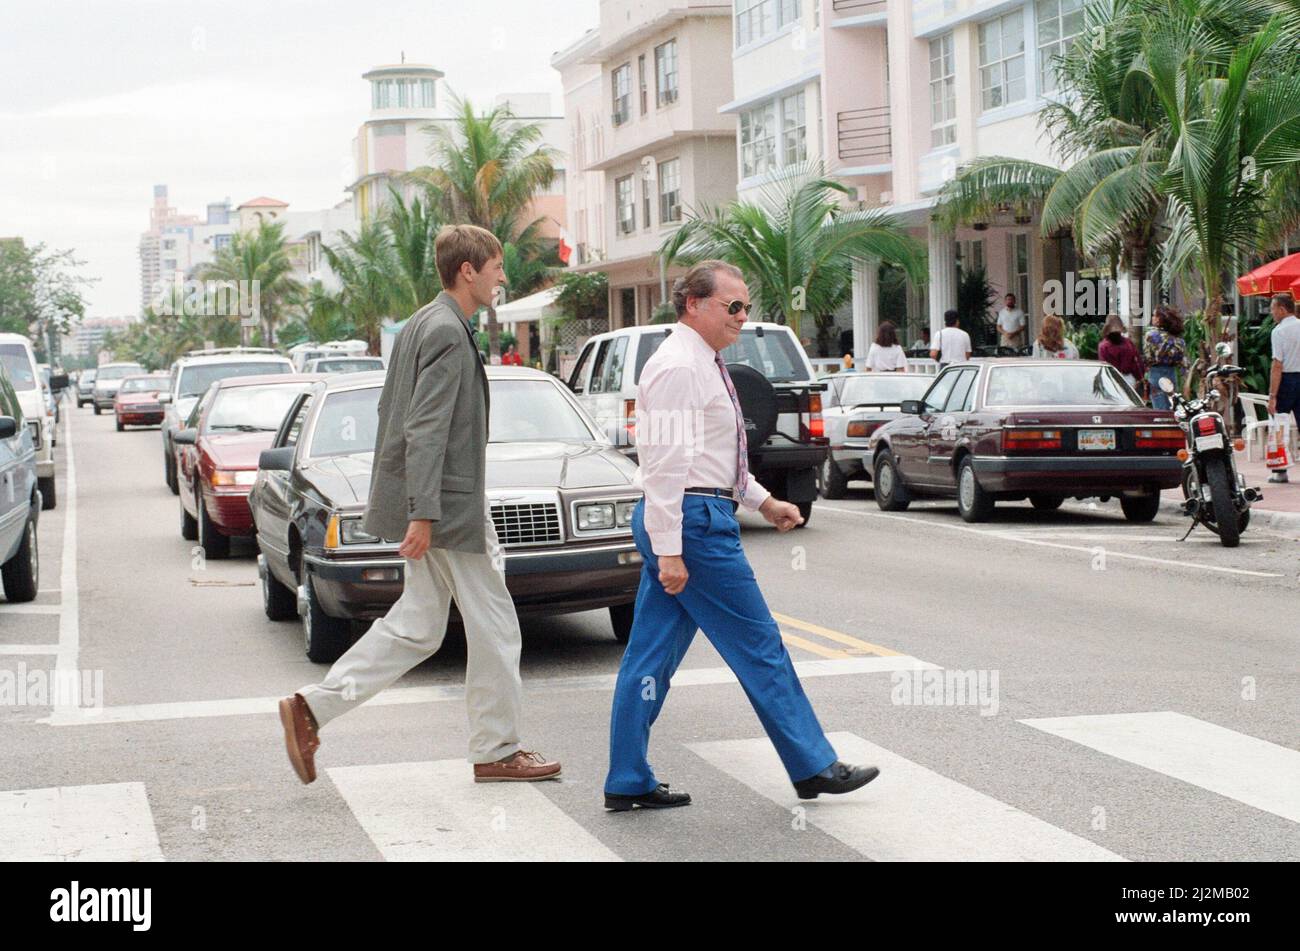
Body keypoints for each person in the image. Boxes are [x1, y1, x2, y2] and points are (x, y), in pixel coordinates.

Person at [278, 224, 561, 787]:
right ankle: (497, 748)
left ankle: (314, 708)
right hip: (448, 509)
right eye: (497, 266)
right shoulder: (448, 332)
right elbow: (424, 427)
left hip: (437, 503)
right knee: (498, 626)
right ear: (468, 271)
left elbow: (392, 411)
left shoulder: (421, 324)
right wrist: (424, 513)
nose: (503, 276)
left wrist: (417, 505)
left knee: (418, 627)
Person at [604, 260, 879, 811]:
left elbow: (714, 458)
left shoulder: (701, 361)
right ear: (694, 305)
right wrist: (671, 550)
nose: (742, 316)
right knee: (760, 644)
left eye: (747, 307)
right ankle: (813, 765)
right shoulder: (681, 365)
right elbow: (663, 465)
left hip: (694, 515)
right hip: (693, 524)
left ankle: (627, 778)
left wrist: (764, 500)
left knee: (649, 658)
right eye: (732, 306)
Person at [1266, 292, 1300, 483]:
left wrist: (1272, 395)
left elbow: (1277, 364)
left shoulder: (1279, 331)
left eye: (1272, 309)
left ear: (1282, 309)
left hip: (1287, 380)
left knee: (1279, 423)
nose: (1271, 313)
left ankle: (1280, 470)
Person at [1143, 304, 1188, 411]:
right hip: (1171, 373)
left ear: (1160, 319)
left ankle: (1160, 428)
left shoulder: (1151, 335)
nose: (1152, 318)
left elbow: (1148, 357)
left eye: (1154, 315)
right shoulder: (1178, 340)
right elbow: (1183, 363)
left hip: (1156, 373)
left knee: (1159, 408)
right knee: (1171, 405)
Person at [1098, 315, 1145, 391]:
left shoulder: (1103, 346)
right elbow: (1137, 362)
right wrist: (1140, 377)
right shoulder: (1128, 343)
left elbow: (1103, 365)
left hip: (1111, 379)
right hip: (1128, 378)